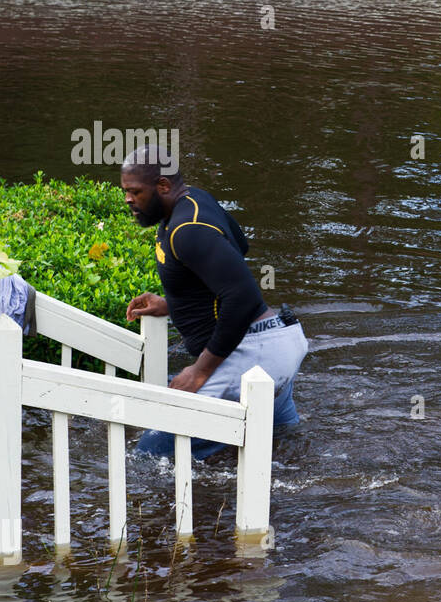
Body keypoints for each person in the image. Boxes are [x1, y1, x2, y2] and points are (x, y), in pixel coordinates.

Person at [119, 146, 308, 459]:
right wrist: (171, 304)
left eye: (135, 192)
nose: (128, 200)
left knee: (150, 454)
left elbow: (243, 296)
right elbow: (238, 247)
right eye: (125, 191)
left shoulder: (188, 230)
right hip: (274, 343)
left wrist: (200, 372)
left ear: (163, 186)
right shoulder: (195, 199)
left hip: (252, 354)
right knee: (280, 449)